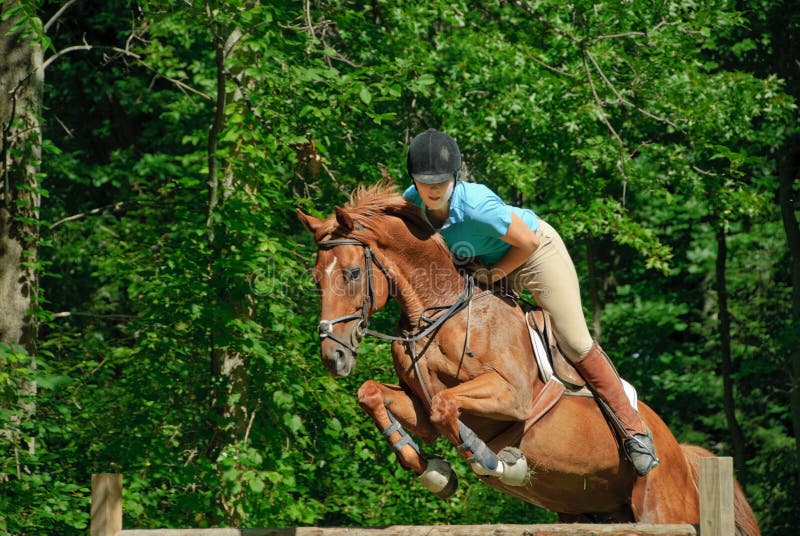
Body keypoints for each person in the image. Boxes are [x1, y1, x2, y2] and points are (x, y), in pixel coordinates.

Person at [402, 128, 659, 476]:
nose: (432, 189)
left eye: (442, 182)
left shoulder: (476, 206)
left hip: (535, 254)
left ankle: (634, 429)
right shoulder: (411, 203)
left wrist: (495, 275)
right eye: (424, 181)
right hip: (484, 263)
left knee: (574, 339)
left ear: (455, 177)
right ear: (413, 180)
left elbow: (527, 243)